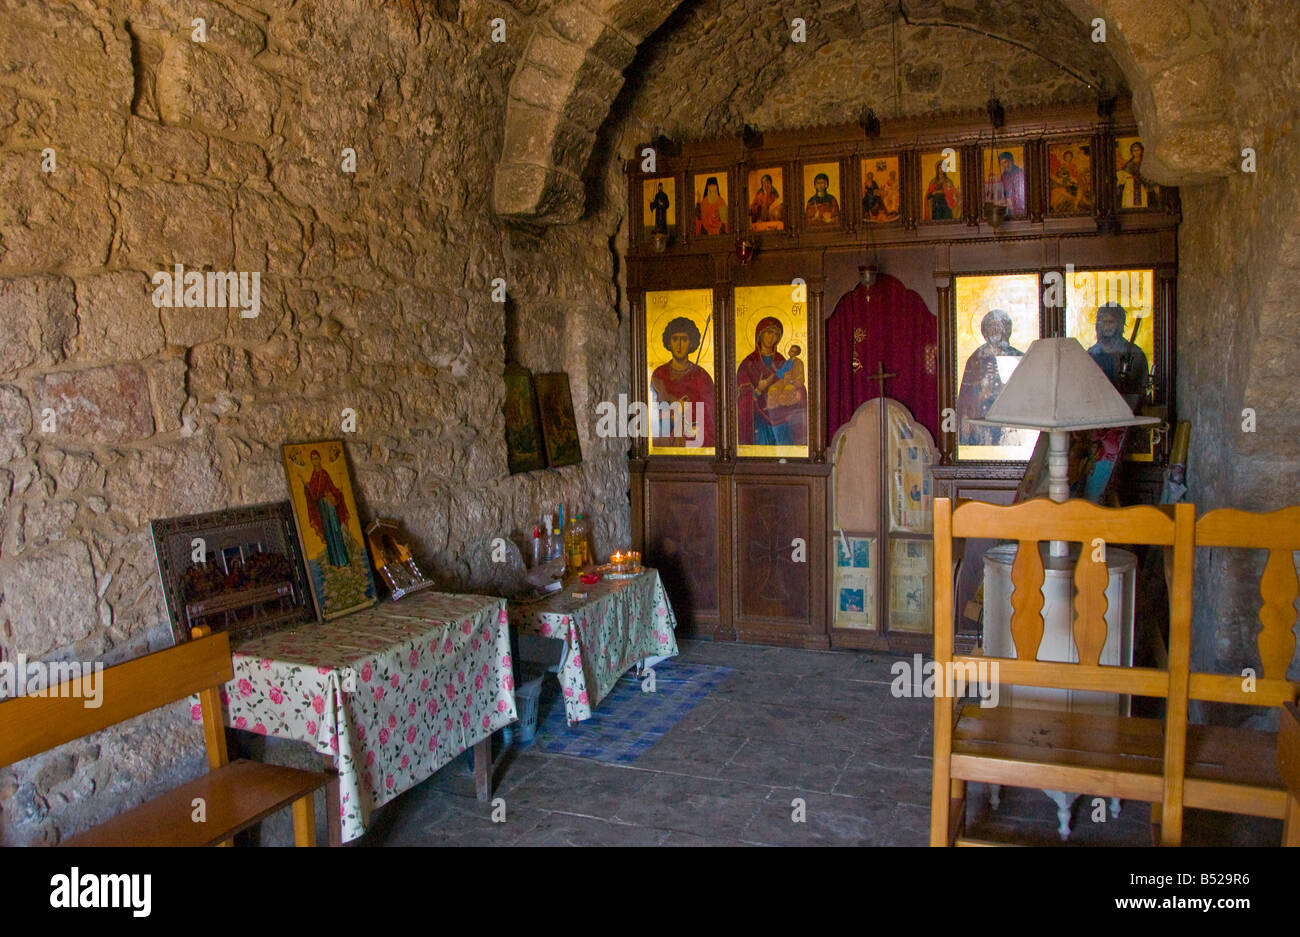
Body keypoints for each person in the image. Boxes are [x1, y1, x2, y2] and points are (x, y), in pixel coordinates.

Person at [956, 309, 1023, 446]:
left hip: (1010, 420)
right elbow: (966, 398)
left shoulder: (1018, 356)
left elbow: (1026, 393)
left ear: (1006, 330)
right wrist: (981, 394)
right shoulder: (976, 359)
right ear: (984, 331)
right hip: (983, 420)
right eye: (991, 326)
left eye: (999, 326)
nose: (995, 330)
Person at [736, 316, 806, 445]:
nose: (772, 337)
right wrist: (758, 390)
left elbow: (795, 383)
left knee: (786, 432)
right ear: (760, 334)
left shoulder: (783, 361)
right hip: (758, 416)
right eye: (769, 332)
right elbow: (742, 399)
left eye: (775, 334)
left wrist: (797, 392)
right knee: (762, 433)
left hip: (781, 413)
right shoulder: (748, 364)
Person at [650, 316, 716, 447]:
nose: (679, 345)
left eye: (684, 339)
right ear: (669, 343)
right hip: (667, 439)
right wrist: (675, 412)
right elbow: (652, 412)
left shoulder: (702, 376)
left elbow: (709, 416)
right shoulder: (659, 374)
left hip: (694, 440)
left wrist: (687, 411)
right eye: (675, 339)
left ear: (691, 343)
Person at [1087, 302, 1149, 396]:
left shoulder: (1136, 355)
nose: (1107, 326)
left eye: (1111, 322)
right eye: (1104, 321)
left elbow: (1143, 391)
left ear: (1120, 324)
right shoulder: (1090, 355)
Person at [303, 449, 350, 566]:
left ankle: (343, 560)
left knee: (335, 530)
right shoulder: (313, 476)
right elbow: (314, 495)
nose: (315, 460)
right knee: (328, 533)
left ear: (320, 459)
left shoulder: (324, 474)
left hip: (330, 506)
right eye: (313, 459)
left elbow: (332, 488)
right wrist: (307, 487)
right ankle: (335, 562)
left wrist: (338, 492)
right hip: (322, 509)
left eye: (316, 458)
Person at [1117, 141, 1157, 208]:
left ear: (1141, 150)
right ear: (1132, 152)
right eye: (1134, 150)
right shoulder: (1129, 164)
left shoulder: (1145, 163)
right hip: (1130, 186)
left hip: (1143, 186)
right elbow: (1124, 175)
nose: (1136, 152)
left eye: (1138, 150)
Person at [998, 151, 1026, 216]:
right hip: (1007, 209)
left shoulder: (1020, 173)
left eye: (1005, 162)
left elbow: (1021, 195)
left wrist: (1011, 202)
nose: (1004, 166)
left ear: (1011, 161)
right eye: (1002, 164)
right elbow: (1001, 191)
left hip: (1018, 211)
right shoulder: (1004, 176)